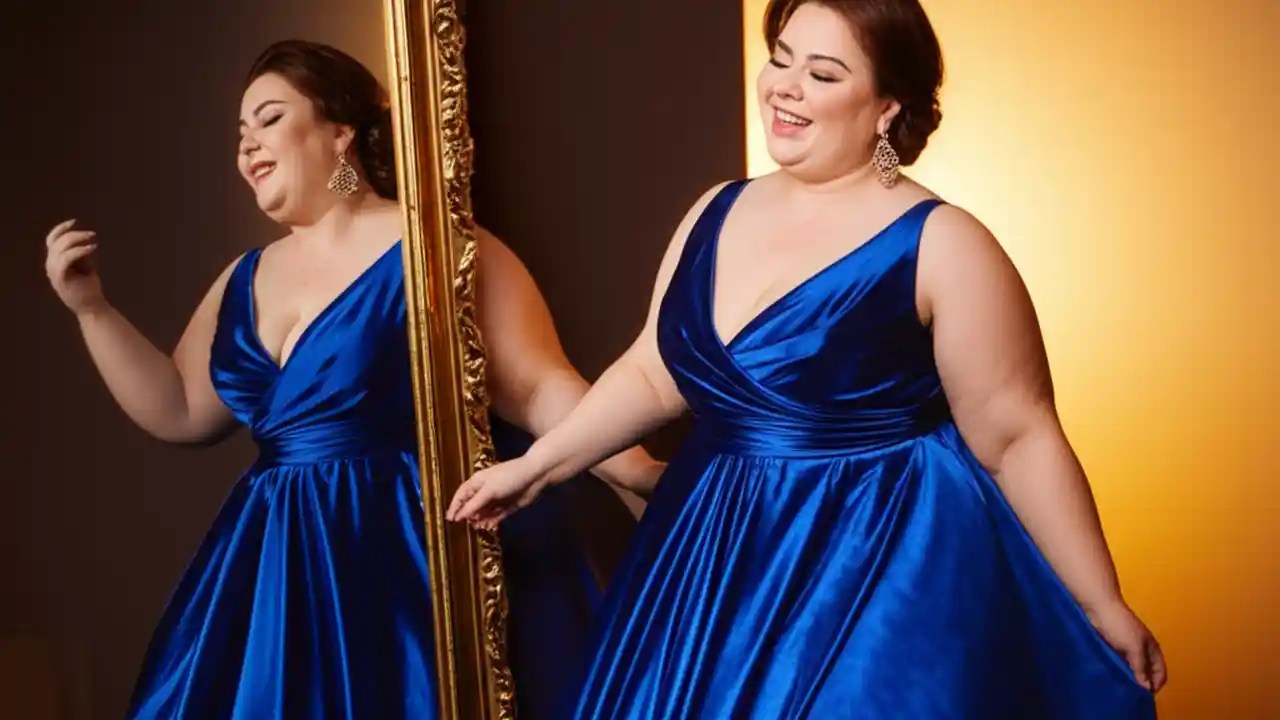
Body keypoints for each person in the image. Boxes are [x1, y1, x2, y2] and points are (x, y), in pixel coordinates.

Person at [447, 1, 1167, 717]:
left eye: (822, 73)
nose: (784, 87)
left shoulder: (944, 243)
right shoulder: (715, 209)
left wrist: (1100, 601)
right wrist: (537, 466)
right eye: (781, 58)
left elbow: (1017, 437)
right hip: (713, 548)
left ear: (887, 107)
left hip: (867, 557)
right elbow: (651, 371)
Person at [42, 39, 661, 719]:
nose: (247, 143)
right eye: (240, 131)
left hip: (394, 542)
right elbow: (181, 411)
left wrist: (633, 468)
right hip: (273, 561)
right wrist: (91, 309)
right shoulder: (245, 276)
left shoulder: (439, 246)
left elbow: (539, 386)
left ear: (340, 133)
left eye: (269, 118)